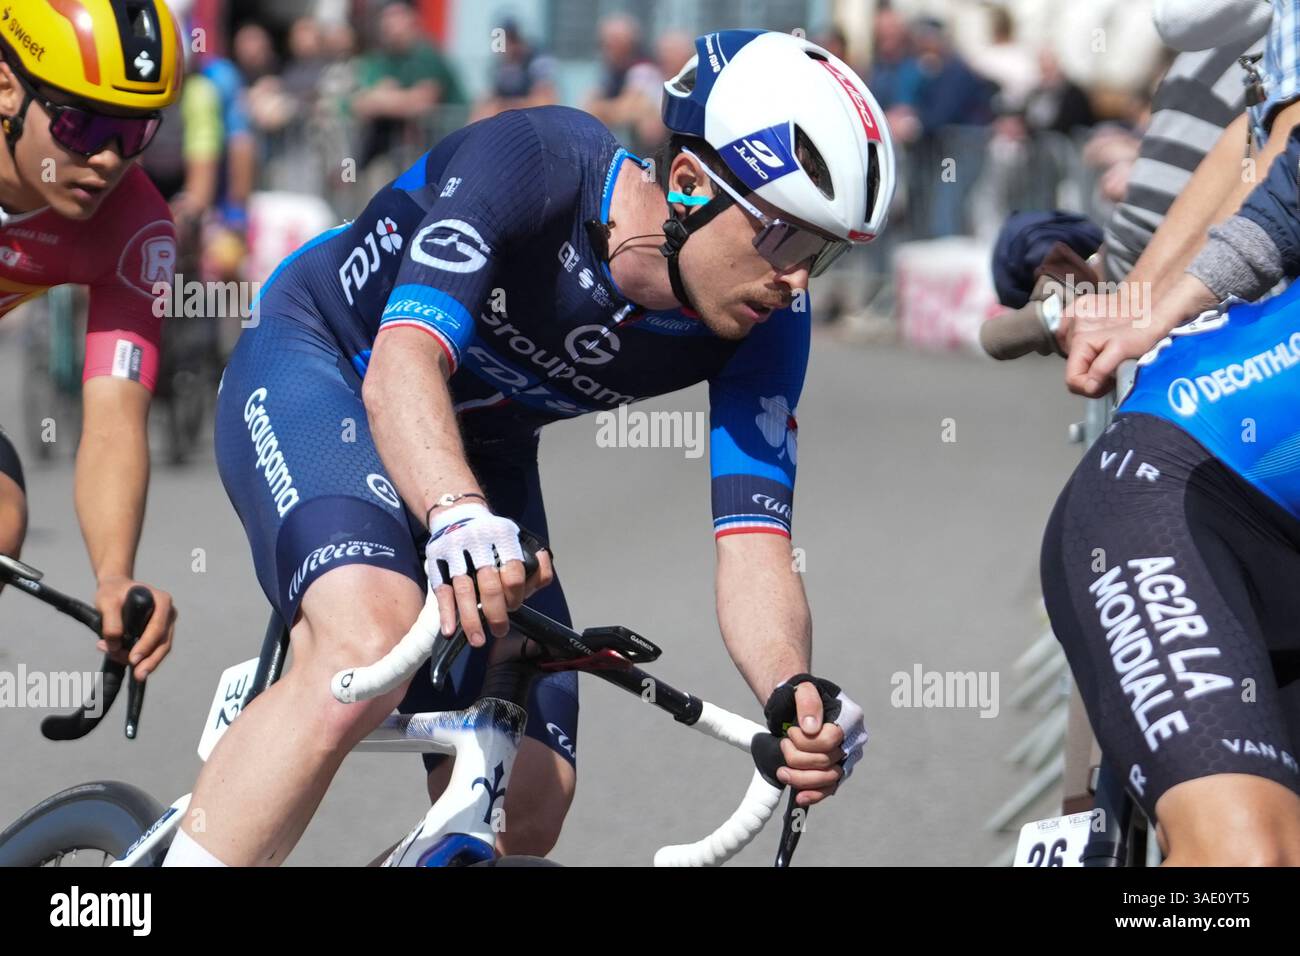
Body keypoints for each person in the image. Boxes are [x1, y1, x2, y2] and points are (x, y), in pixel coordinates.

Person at [164, 28, 894, 866]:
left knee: (532, 804)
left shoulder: (766, 325)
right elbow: (403, 364)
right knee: (365, 646)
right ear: (690, 184)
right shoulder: (538, 159)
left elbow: (757, 543)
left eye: (825, 252)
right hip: (327, 367)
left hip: (480, 451)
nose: (800, 280)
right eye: (791, 239)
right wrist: (455, 512)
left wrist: (788, 692)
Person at [0, 1, 182, 678]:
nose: (108, 159)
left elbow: (112, 421)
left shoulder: (135, 228)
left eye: (135, 131)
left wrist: (114, 576)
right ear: (6, 85)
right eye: (83, 124)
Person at [470, 18, 558, 122]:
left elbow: (545, 103)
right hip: (509, 117)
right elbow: (488, 99)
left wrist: (507, 106)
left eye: (511, 40)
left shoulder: (538, 60)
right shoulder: (500, 64)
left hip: (533, 121)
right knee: (484, 106)